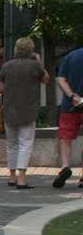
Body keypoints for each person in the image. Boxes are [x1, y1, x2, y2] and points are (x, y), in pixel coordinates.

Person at [0, 37, 51, 189]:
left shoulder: (7, 65)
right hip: (28, 110)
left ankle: (12, 176)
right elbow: (46, 80)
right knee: (25, 144)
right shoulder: (35, 66)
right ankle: (22, 179)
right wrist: (39, 61)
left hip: (9, 110)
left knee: (12, 144)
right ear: (31, 50)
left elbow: (0, 89)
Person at [52, 44, 83, 188]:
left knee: (66, 138)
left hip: (70, 105)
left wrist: (72, 96)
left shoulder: (71, 56)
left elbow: (61, 79)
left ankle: (65, 166)